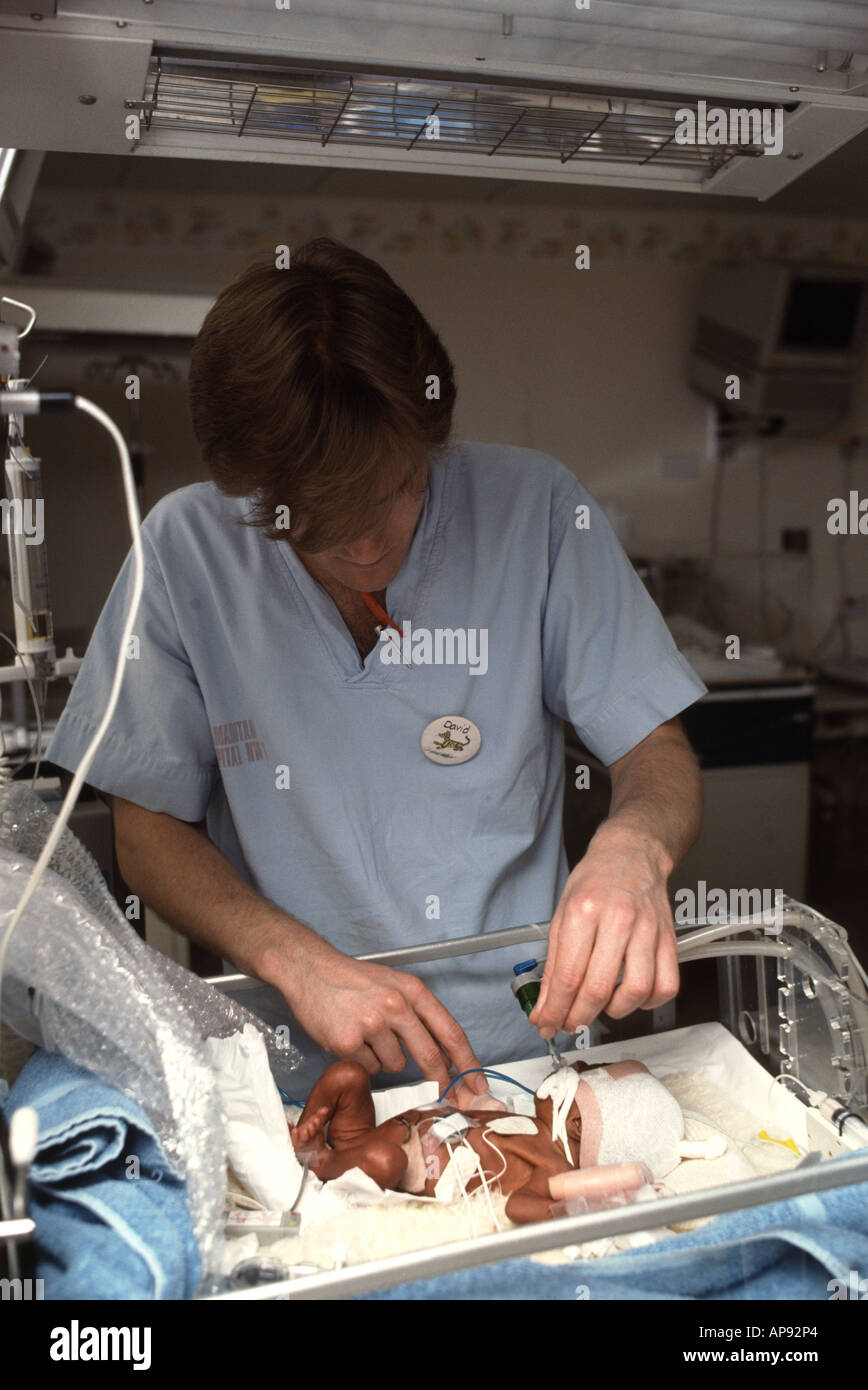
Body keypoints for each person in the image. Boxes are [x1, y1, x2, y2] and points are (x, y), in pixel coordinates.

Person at [47, 237, 706, 1098]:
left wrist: (634, 846)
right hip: (295, 1071)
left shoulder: (536, 514)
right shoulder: (185, 554)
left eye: (400, 488)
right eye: (317, 518)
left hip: (528, 1051)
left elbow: (656, 752)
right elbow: (146, 834)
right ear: (245, 487)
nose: (368, 542)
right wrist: (299, 961)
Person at [288, 1056, 664, 1226]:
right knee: (348, 1074)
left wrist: (577, 1211)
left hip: (398, 1166)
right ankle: (317, 1135)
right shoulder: (524, 1118)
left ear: (578, 1124)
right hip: (370, 1134)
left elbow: (518, 1207)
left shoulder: (556, 1166)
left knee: (386, 1160)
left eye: (582, 1073)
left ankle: (323, 1161)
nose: (573, 1066)